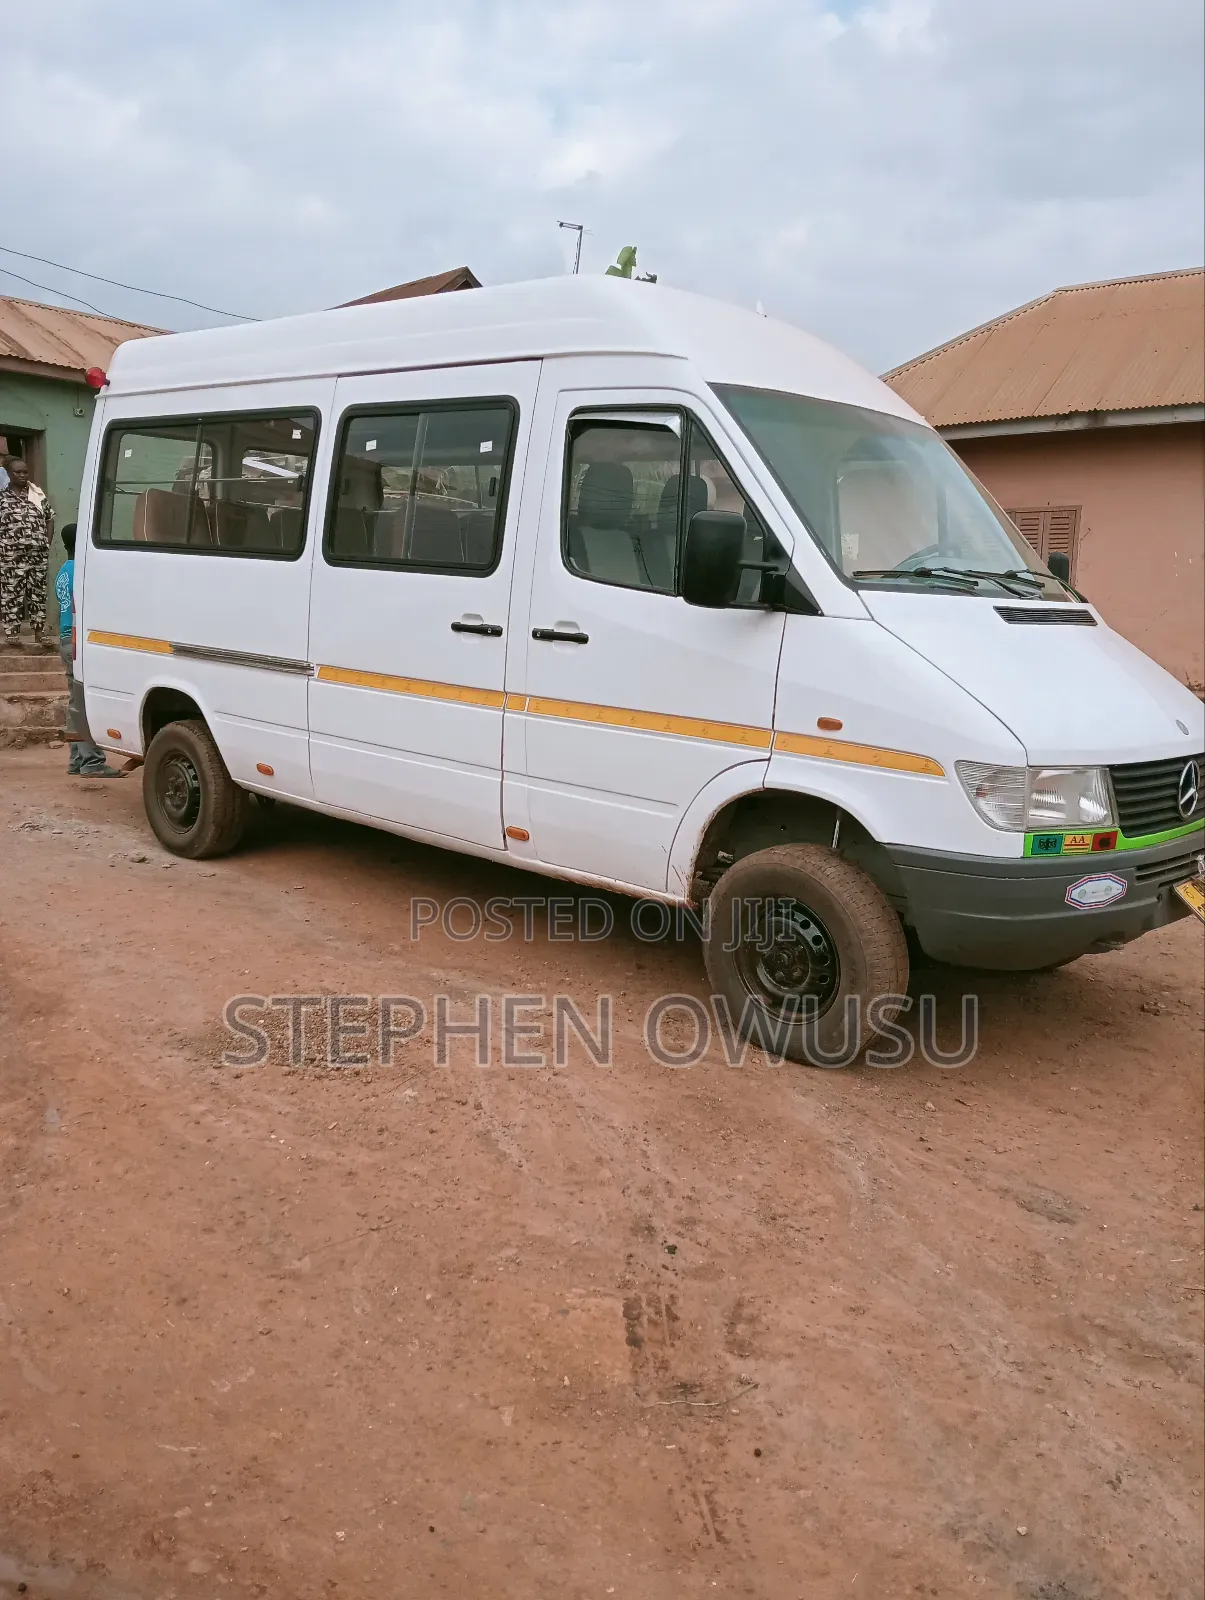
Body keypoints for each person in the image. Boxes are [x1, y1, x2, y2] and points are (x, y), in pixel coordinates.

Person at [55, 524, 124, 778]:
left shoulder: (63, 571)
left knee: (75, 700)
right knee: (86, 701)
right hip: (77, 641)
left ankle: (76, 759)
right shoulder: (82, 572)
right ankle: (92, 762)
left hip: (63, 639)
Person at [0, 454, 54, 647]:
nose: (23, 475)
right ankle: (11, 633)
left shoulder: (37, 495)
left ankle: (39, 632)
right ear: (8, 473)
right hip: (10, 555)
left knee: (37, 593)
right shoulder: (2, 497)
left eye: (25, 472)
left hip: (37, 554)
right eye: (18, 472)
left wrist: (46, 543)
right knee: (11, 592)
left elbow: (49, 518)